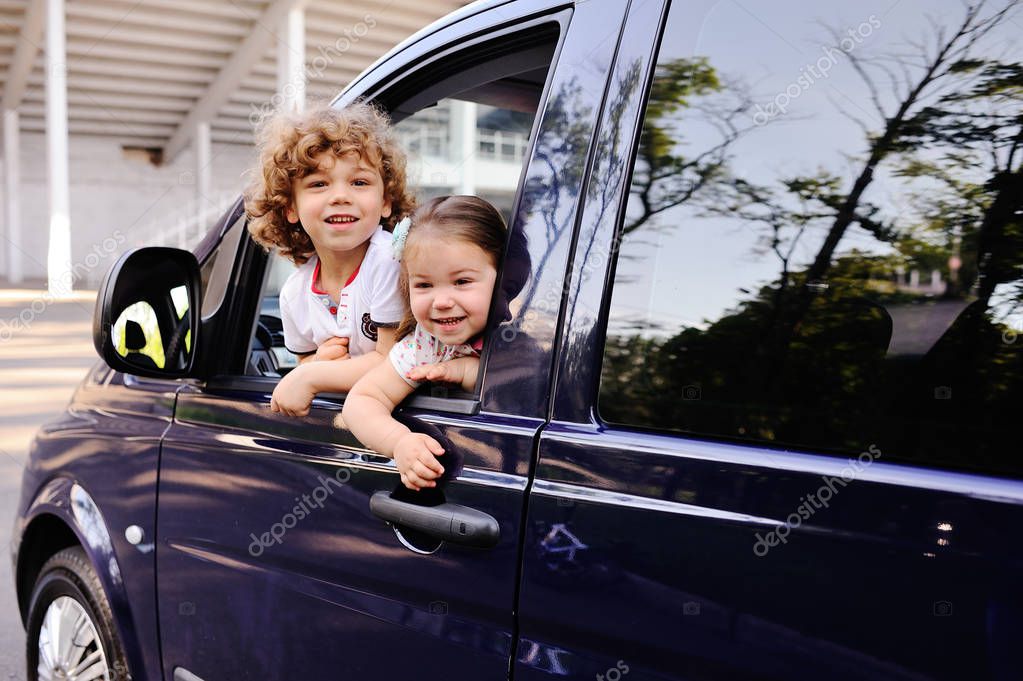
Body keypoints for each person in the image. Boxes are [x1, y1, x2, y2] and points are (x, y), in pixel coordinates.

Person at [245, 101, 415, 416]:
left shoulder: (390, 261)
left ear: (386, 201)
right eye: (319, 184)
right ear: (290, 208)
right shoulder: (295, 293)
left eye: (359, 182)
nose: (340, 196)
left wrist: (312, 375)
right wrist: (316, 365)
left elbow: (390, 361)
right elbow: (306, 362)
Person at [340, 195, 507, 490]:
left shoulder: (526, 333)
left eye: (462, 282)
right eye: (424, 285)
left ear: (505, 278)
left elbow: (528, 386)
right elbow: (362, 401)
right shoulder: (426, 346)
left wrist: (468, 372)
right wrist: (399, 442)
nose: (441, 302)